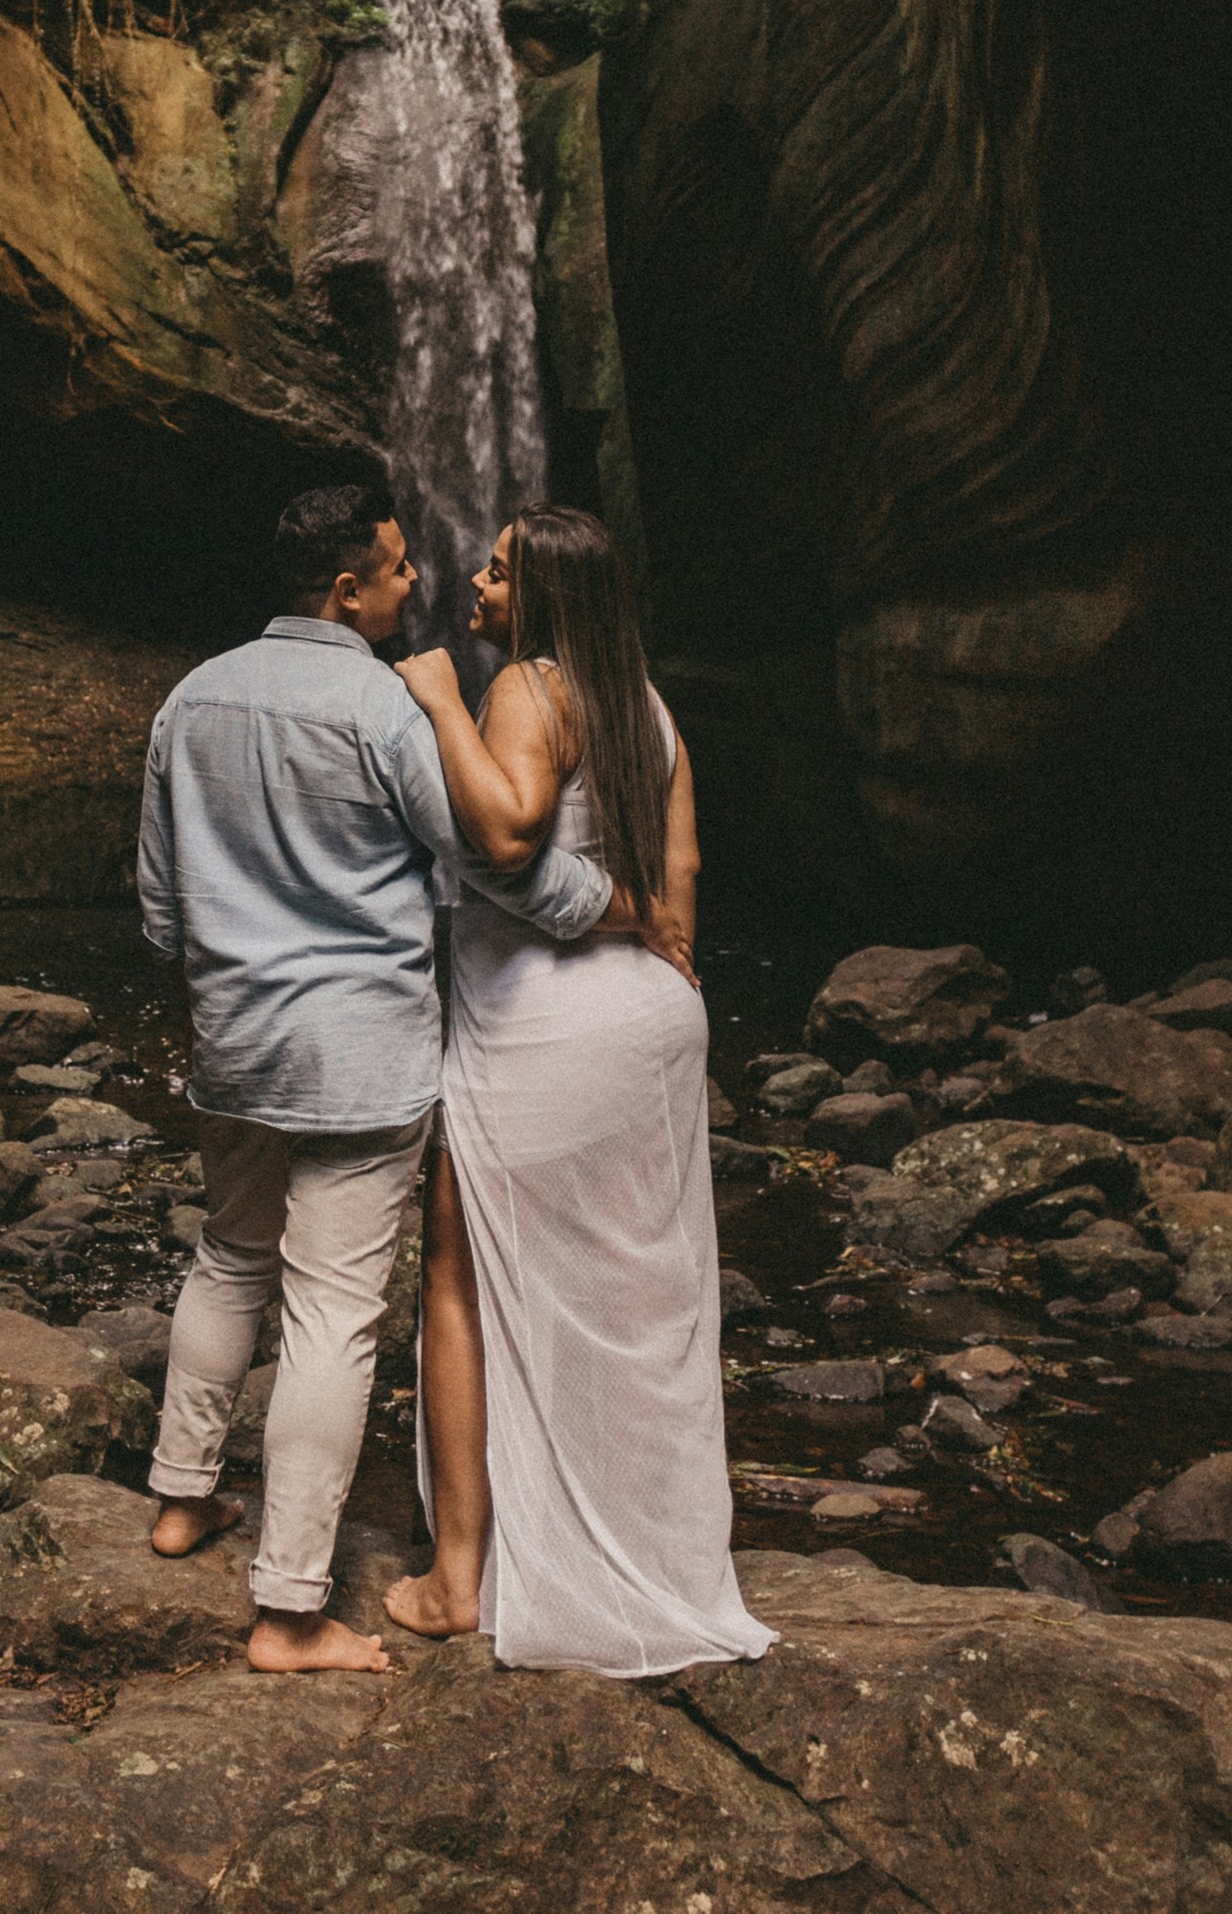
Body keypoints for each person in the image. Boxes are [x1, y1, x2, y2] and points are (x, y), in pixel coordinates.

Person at [132, 482, 669, 1673]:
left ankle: (180, 1497)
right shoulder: (386, 709)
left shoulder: (189, 697)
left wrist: (227, 973)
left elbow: (161, 912)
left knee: (229, 1254)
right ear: (346, 590)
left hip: (234, 1044)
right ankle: (288, 1610)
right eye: (395, 566)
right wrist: (617, 906)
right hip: (360, 1055)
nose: (418, 580)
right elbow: (490, 859)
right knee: (331, 1312)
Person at [382, 503, 774, 1676]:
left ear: (545, 600)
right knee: (638, 1293)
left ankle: (458, 1578)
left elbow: (507, 838)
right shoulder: (647, 707)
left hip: (548, 1022)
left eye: (501, 573)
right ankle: (655, 1555)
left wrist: (439, 701)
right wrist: (658, 946)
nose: (476, 581)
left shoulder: (525, 688)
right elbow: (681, 873)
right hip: (654, 1017)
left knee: (457, 1276)